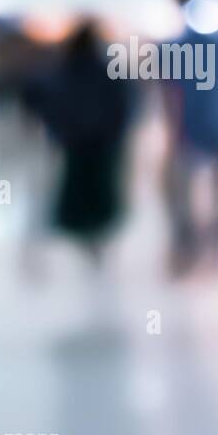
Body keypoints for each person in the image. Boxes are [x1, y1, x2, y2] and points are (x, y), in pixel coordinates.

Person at [162, 0, 218, 276]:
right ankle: (212, 252)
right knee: (214, 193)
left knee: (186, 194)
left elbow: (172, 96)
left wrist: (174, 133)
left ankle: (191, 251)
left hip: (193, 130)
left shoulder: (176, 47)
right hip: (217, 128)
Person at [38, 22, 133, 263]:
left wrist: (58, 132)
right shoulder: (104, 71)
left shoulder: (66, 71)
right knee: (99, 189)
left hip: (77, 142)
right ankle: (95, 233)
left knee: (80, 189)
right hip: (99, 142)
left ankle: (86, 233)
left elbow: (53, 104)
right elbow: (121, 105)